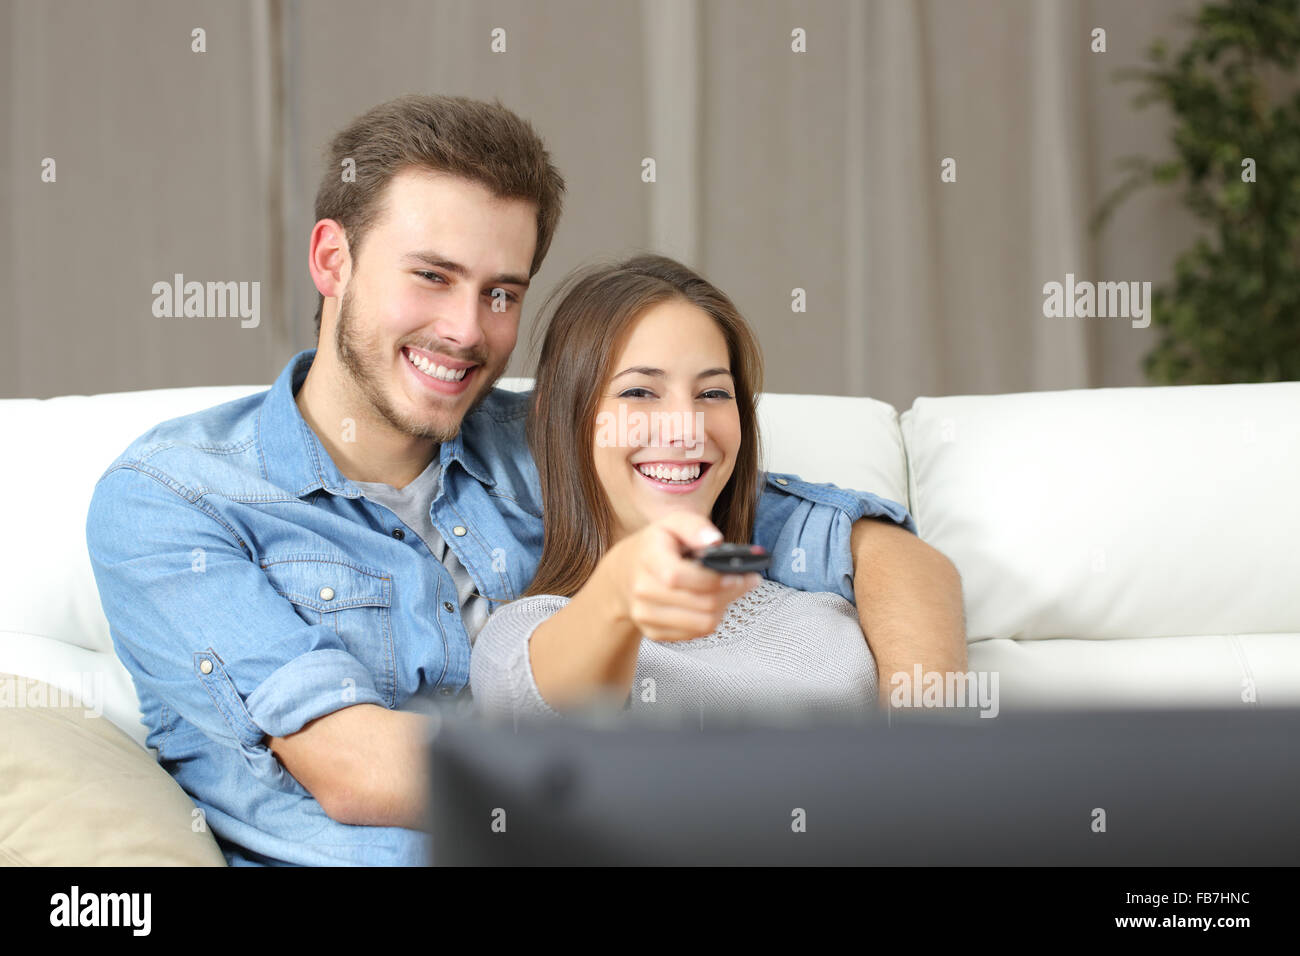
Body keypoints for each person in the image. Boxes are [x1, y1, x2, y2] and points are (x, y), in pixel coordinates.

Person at [85, 94, 967, 866]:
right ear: (332, 261)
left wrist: (921, 777)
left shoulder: (551, 438)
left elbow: (868, 550)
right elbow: (356, 771)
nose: (467, 331)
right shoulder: (178, 498)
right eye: (432, 277)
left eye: (502, 293)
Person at [472, 255, 881, 722]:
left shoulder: (826, 618)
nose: (685, 430)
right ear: (556, 418)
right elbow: (528, 705)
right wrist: (620, 591)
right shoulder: (519, 637)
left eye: (712, 394)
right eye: (639, 393)